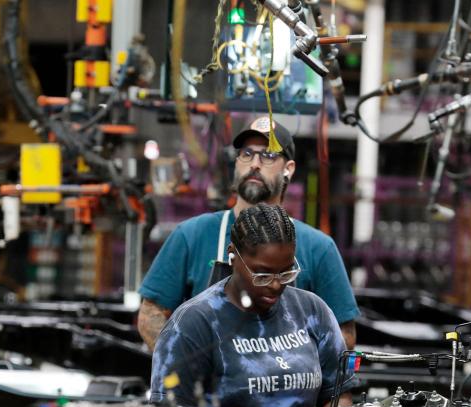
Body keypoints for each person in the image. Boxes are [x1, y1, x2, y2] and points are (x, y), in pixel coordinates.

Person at [149, 203, 347, 407]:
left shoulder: (312, 312)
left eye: (286, 273)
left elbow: (337, 393)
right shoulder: (195, 323)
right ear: (233, 255)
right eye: (262, 274)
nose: (276, 285)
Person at [137, 116, 360, 351]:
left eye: (268, 155)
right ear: (237, 163)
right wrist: (186, 362)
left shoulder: (318, 248)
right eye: (247, 154)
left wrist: (300, 365)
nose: (255, 163)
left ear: (288, 169)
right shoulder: (191, 235)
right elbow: (151, 314)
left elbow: (344, 333)